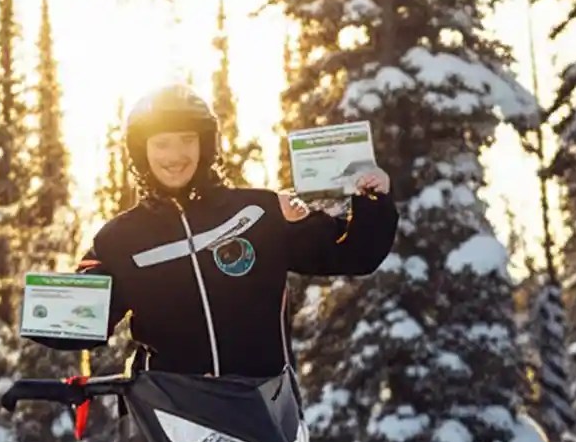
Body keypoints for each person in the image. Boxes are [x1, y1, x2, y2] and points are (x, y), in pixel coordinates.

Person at [33, 83, 398, 385]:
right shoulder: (119, 238)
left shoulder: (259, 211)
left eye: (186, 140)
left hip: (264, 407)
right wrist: (41, 310)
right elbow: (86, 318)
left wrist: (372, 202)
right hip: (166, 411)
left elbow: (352, 254)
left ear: (205, 145)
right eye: (161, 143)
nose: (175, 155)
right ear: (142, 152)